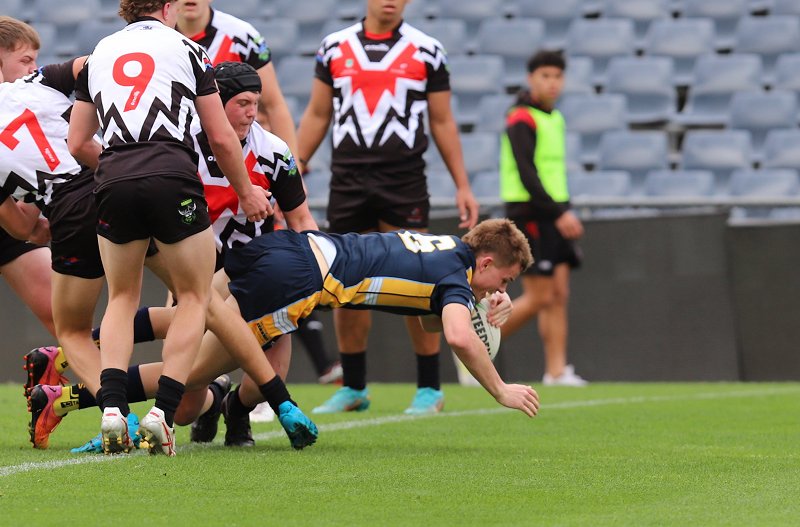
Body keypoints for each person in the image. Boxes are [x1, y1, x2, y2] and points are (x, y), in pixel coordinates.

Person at [31, 61, 319, 452]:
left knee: (262, 379)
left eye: (256, 102)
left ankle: (232, 407)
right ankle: (80, 388)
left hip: (262, 273)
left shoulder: (274, 152)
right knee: (185, 398)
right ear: (216, 104)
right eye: (242, 103)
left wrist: (319, 269)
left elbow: (302, 219)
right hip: (199, 268)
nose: (252, 112)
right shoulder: (182, 148)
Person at [67, 0, 270, 456]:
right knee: (195, 296)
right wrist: (247, 191)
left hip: (114, 177)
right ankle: (162, 414)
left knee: (121, 297)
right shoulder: (188, 49)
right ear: (167, 7)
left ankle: (113, 410)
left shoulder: (98, 53)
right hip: (171, 174)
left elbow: (78, 143)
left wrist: (125, 170)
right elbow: (220, 137)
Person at [296, 0, 480, 415]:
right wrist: (293, 169)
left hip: (404, 179)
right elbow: (318, 113)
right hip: (348, 179)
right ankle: (354, 386)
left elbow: (443, 121)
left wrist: (463, 184)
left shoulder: (427, 50)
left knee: (421, 275)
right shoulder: (333, 47)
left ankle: (430, 388)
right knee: (344, 277)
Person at [217, 218, 540, 420]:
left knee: (191, 317)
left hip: (294, 247)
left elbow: (431, 321)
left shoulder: (450, 251)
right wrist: (499, 389)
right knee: (192, 370)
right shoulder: (456, 276)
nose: (502, 288)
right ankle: (210, 401)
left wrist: (484, 303)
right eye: (506, 281)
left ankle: (218, 405)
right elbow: (457, 335)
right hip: (301, 276)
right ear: (484, 264)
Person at [498, 50, 587, 387]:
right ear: (530, 78)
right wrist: (559, 212)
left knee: (558, 295)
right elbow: (526, 173)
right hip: (531, 212)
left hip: (556, 211)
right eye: (545, 76)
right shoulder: (520, 117)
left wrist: (564, 208)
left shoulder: (555, 118)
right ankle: (473, 347)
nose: (552, 82)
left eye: (557, 76)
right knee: (539, 297)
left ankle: (556, 371)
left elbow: (552, 172)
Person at [0, 17, 59, 344]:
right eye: (25, 60)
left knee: (62, 315)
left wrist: (37, 204)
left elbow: (24, 228)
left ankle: (112, 390)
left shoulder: (29, 102)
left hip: (8, 221)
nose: (33, 69)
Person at [174, 0, 298, 153]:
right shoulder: (152, 37)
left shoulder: (243, 36)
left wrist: (294, 168)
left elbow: (274, 105)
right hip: (176, 151)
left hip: (233, 152)